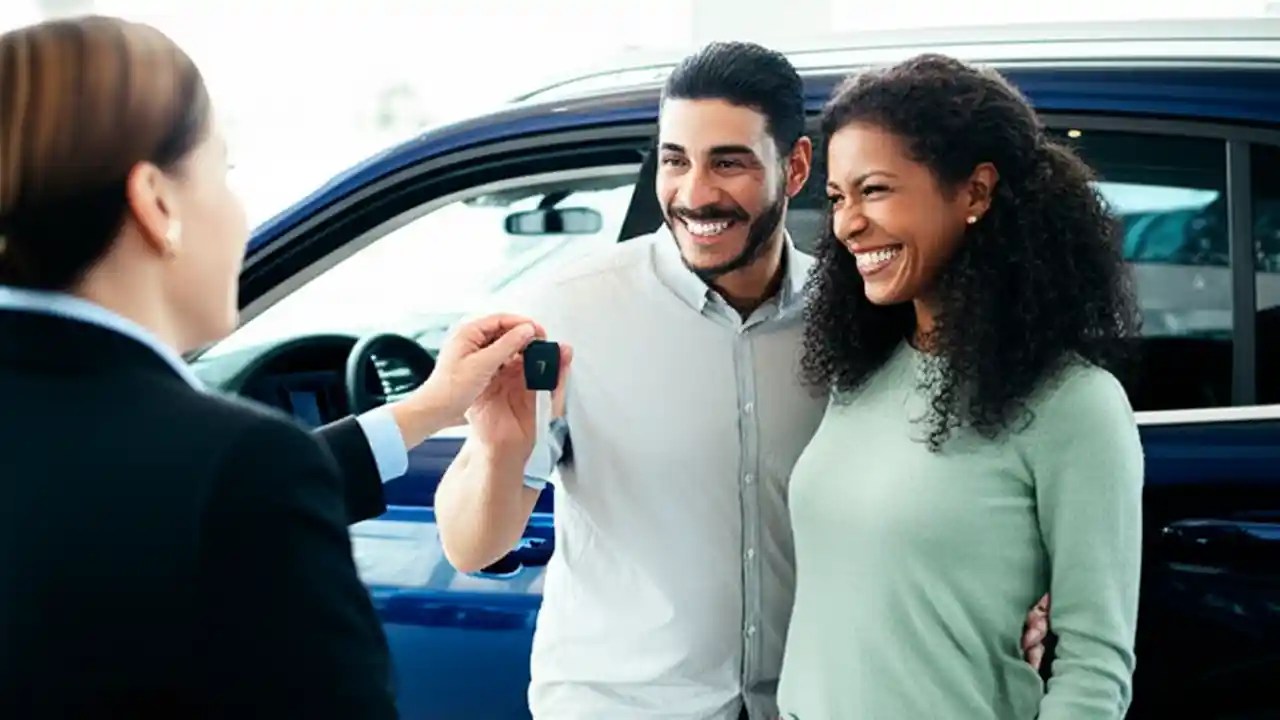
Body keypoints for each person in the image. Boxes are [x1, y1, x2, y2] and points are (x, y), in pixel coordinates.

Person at [435, 41, 1050, 720]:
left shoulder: (862, 318)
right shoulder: (569, 312)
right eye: (676, 161)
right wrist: (498, 453)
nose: (695, 194)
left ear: (795, 168)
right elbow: (473, 546)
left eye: (728, 162)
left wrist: (1008, 593)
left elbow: (942, 500)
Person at [0, 16, 543, 718]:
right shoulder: (238, 469)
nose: (239, 214)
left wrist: (429, 409)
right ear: (156, 202)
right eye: (222, 174)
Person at [775, 54, 1144, 719]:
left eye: (876, 190)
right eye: (836, 197)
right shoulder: (861, 374)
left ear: (975, 192)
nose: (847, 223)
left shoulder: (1074, 405)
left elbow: (1095, 670)